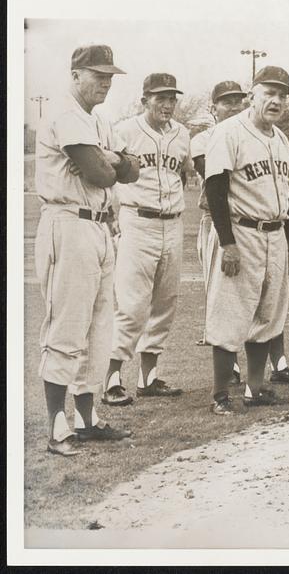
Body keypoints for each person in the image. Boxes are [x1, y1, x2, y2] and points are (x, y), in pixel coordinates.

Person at [35, 44, 140, 455]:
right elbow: (101, 174)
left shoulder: (99, 119)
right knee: (67, 325)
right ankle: (56, 425)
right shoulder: (64, 112)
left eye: (110, 76)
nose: (106, 82)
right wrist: (112, 161)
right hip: (68, 222)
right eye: (98, 75)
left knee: (99, 328)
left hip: (99, 226)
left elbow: (131, 170)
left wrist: (111, 158)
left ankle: (86, 417)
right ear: (76, 75)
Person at [203, 65, 289, 415]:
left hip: (275, 233)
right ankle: (220, 395)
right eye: (269, 93)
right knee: (230, 312)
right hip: (241, 232)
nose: (276, 101)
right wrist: (227, 242)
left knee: (268, 313)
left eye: (282, 95)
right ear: (253, 95)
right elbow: (215, 188)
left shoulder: (281, 139)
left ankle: (255, 389)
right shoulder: (229, 132)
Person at [101, 73, 192, 405]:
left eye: (172, 98)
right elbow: (105, 173)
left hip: (173, 223)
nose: (167, 105)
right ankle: (111, 379)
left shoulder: (182, 134)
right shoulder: (124, 131)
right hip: (137, 221)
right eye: (160, 98)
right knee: (132, 304)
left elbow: (183, 173)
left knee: (165, 302)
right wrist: (110, 215)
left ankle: (148, 378)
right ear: (145, 101)